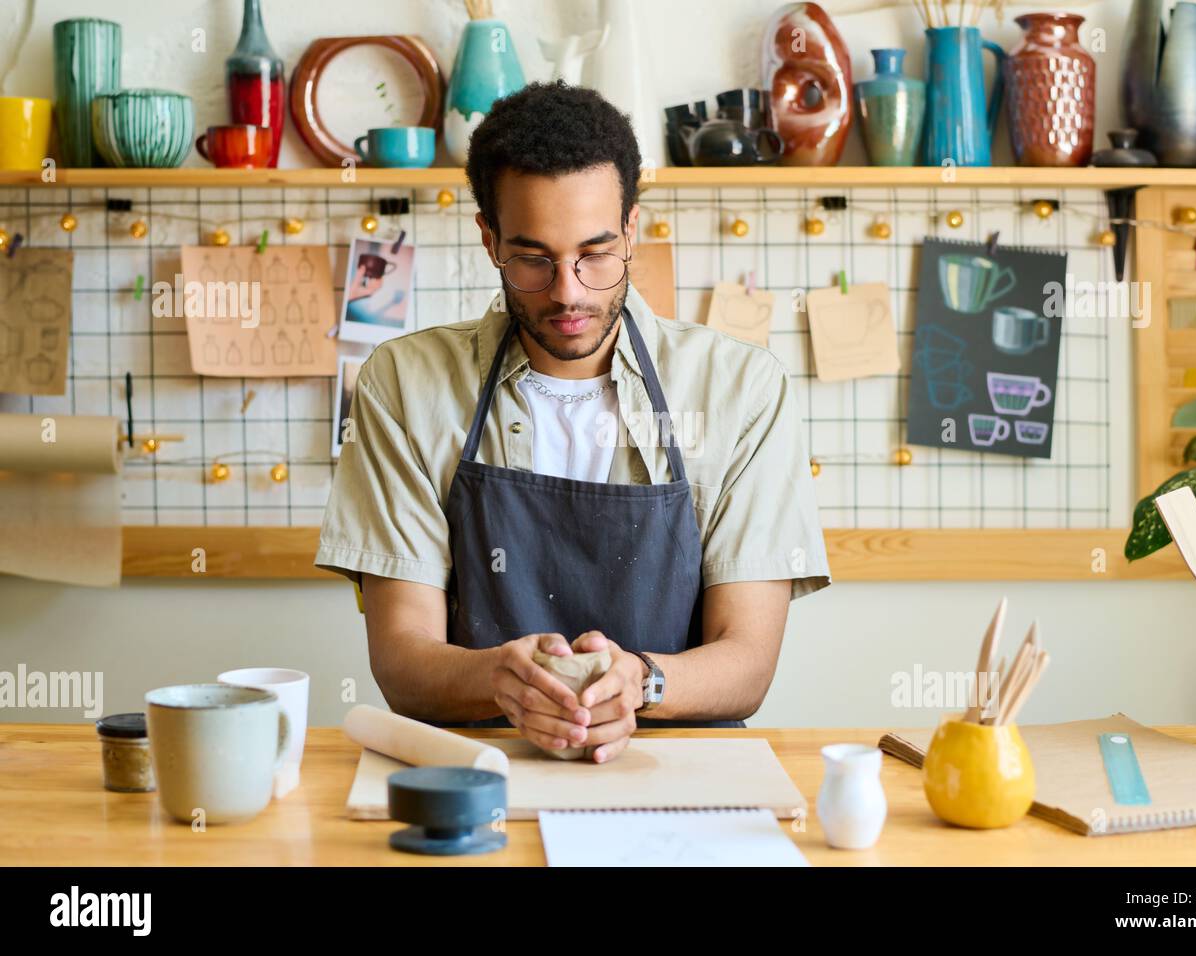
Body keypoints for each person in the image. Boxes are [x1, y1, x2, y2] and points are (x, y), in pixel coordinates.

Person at [316, 80, 830, 763]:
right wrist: (498, 680)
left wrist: (640, 681)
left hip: (677, 778)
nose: (568, 292)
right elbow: (403, 662)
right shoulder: (405, 385)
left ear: (631, 230)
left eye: (594, 253)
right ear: (489, 239)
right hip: (480, 776)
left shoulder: (740, 389)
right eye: (533, 257)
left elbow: (748, 664)